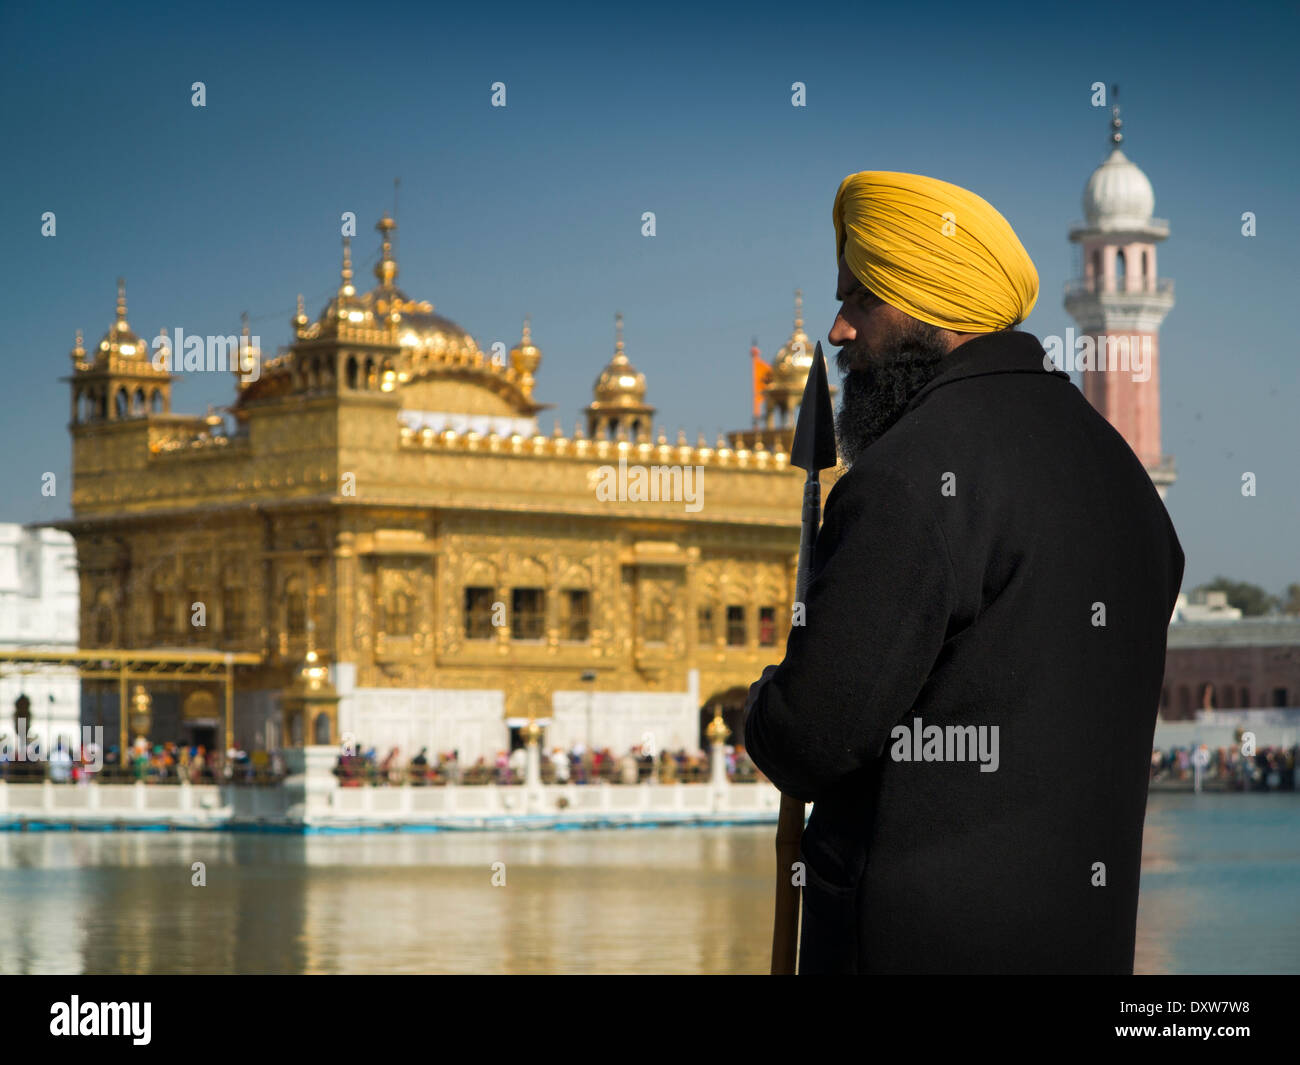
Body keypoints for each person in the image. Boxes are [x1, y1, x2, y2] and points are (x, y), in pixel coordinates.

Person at [743, 169, 1185, 975]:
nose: (839, 331)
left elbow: (812, 736)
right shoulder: (1125, 480)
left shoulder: (910, 478)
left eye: (859, 298)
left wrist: (763, 698)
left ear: (927, 301)